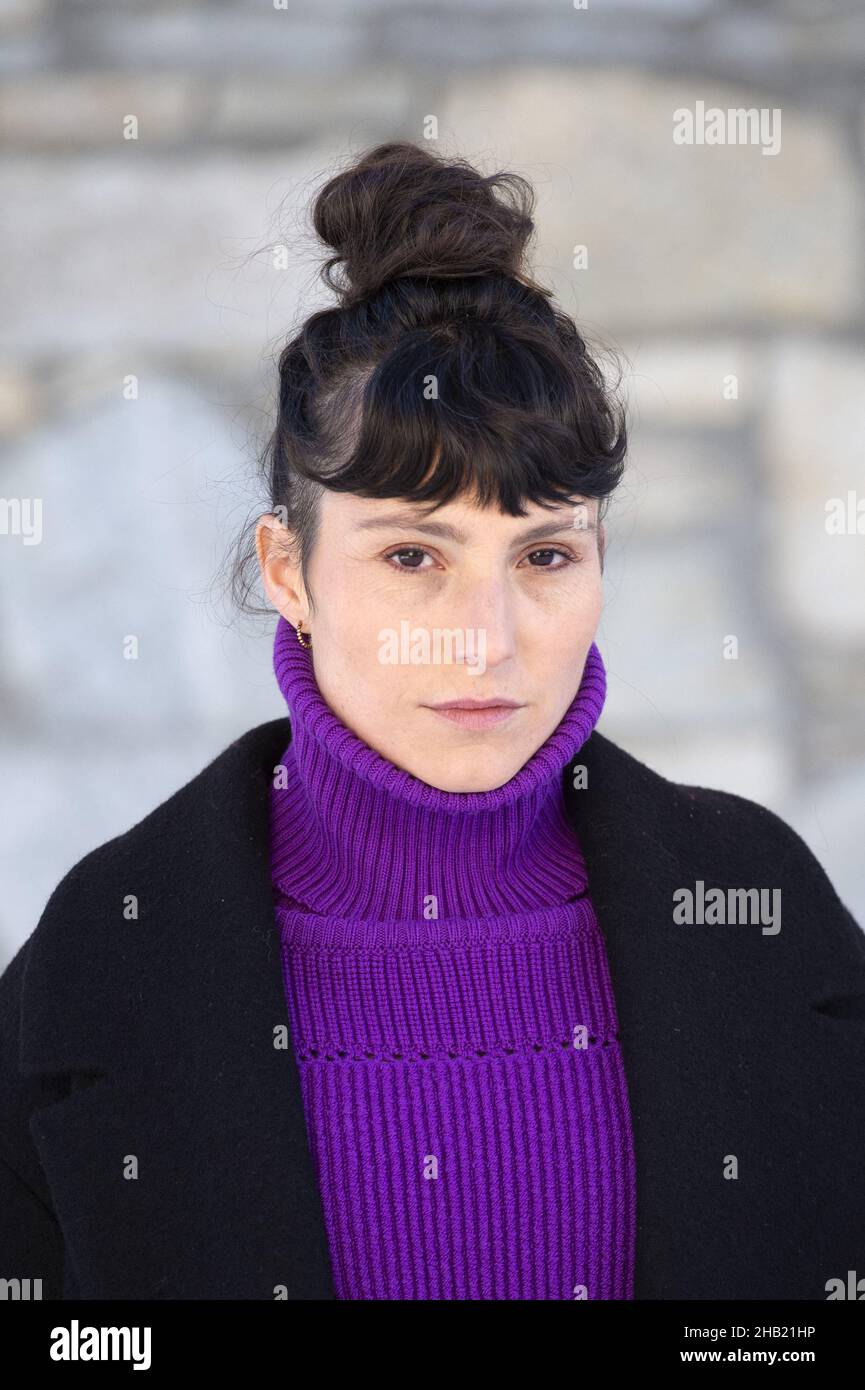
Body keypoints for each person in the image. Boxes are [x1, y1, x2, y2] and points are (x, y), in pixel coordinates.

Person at [1, 141, 863, 1302]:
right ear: (288, 569)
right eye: (413, 554)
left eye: (544, 553)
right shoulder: (104, 954)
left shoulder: (765, 911)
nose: (486, 637)